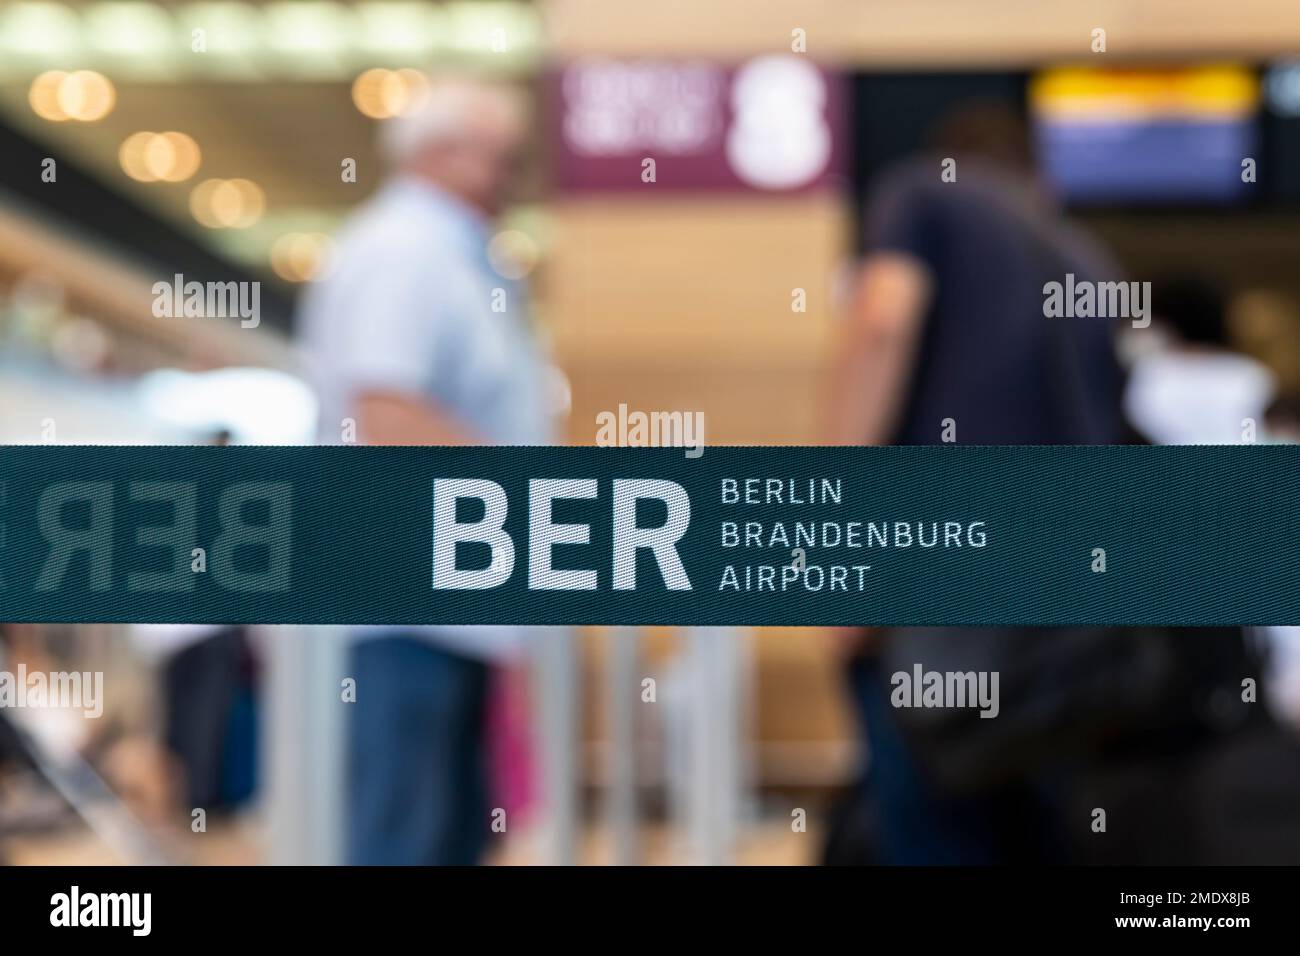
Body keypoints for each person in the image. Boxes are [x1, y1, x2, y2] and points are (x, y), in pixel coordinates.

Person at [297, 75, 558, 865]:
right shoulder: (403, 254)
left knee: (445, 831)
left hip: (452, 606)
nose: (514, 177)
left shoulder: (460, 259)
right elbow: (387, 414)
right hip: (405, 611)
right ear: (440, 153)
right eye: (501, 159)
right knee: (403, 835)